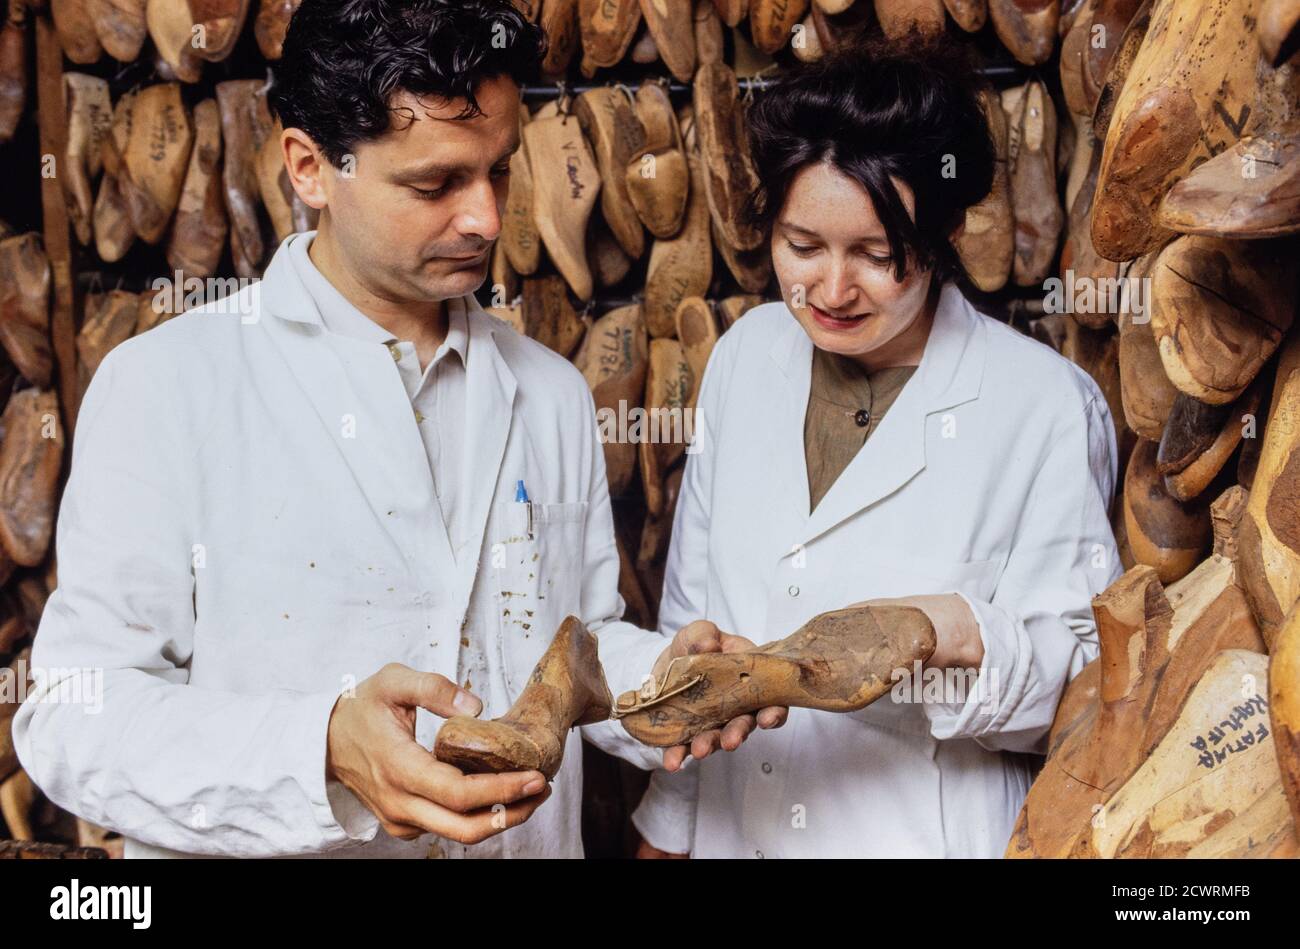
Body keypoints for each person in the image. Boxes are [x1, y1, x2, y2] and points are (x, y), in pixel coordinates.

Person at [11, 0, 758, 859]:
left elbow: (573, 648)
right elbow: (75, 715)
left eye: (501, 171)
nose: (485, 218)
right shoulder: (165, 387)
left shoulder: (549, 392)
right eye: (435, 184)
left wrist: (660, 681)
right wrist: (322, 746)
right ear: (310, 168)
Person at [631, 38, 1123, 859]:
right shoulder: (746, 356)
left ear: (944, 232)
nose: (830, 290)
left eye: (876, 254)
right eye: (802, 246)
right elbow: (694, 621)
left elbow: (1079, 695)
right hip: (732, 833)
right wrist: (667, 825)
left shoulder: (1042, 406)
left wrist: (948, 629)